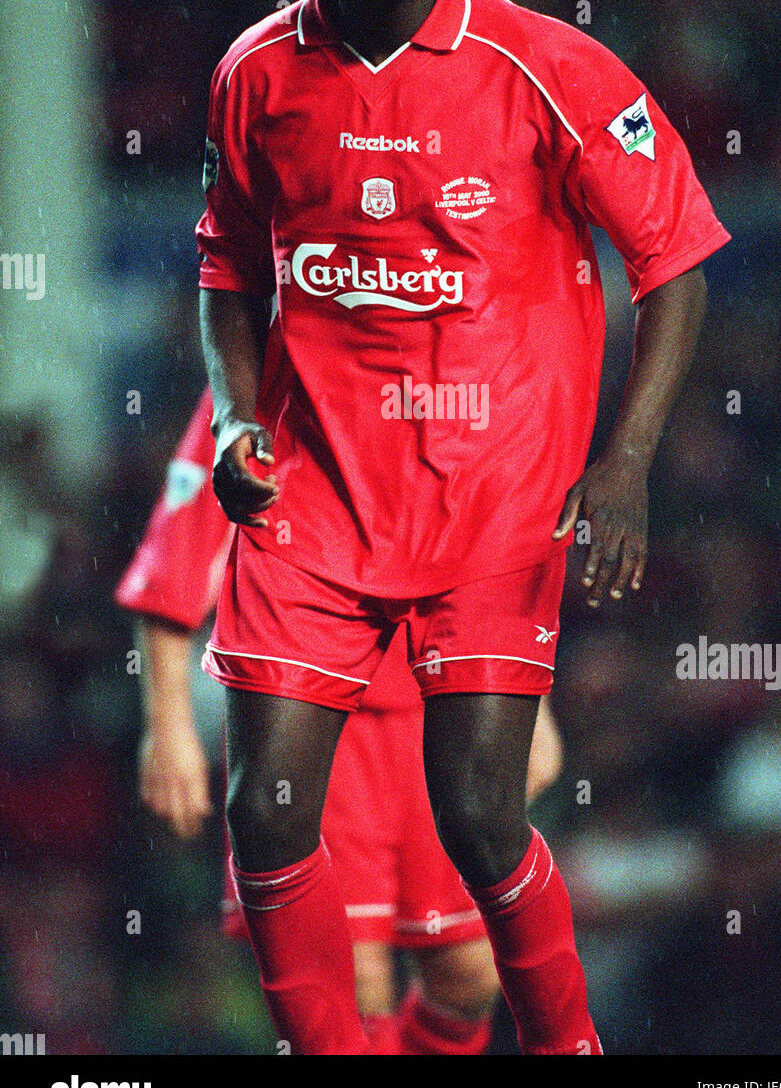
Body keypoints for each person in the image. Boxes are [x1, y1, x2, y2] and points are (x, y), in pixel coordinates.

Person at [196, 0, 730, 1055]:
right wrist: (231, 415)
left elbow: (677, 260)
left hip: (495, 496)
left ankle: (568, 1047)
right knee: (265, 815)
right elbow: (224, 265)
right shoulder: (256, 72)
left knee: (481, 819)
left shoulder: (545, 63)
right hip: (314, 498)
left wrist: (629, 459)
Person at [115, 385, 565, 1054]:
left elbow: (495, 546)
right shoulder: (256, 379)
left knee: (470, 973)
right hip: (316, 725)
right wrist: (169, 726)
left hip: (442, 712)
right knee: (352, 983)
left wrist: (534, 704)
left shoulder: (453, 363)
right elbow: (175, 551)